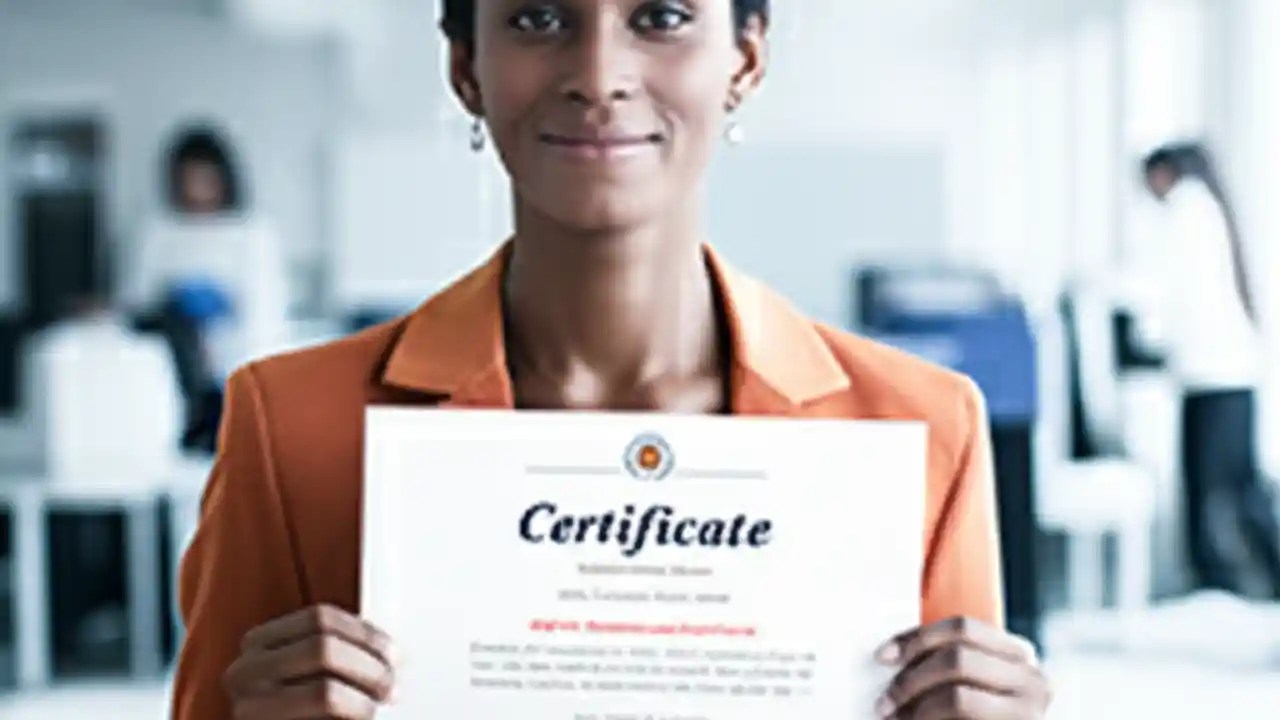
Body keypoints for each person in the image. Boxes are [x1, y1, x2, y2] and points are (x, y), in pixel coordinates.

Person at [171, 2, 1052, 718]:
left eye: (661, 17)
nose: (598, 77)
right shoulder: (291, 427)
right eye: (539, 20)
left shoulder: (921, 429)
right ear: (466, 67)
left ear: (744, 59)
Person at [1143, 142, 1280, 598]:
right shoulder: (1207, 209)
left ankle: (1215, 582)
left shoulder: (1186, 212)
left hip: (1211, 371)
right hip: (1229, 367)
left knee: (1215, 489)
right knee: (1237, 484)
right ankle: (1228, 579)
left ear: (1163, 173)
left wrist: (1153, 338)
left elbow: (1176, 295)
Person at [128, 125, 289, 453]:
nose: (196, 191)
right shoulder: (157, 233)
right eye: (188, 180)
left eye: (205, 179)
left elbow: (266, 314)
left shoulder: (252, 233)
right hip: (173, 374)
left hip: (234, 367)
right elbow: (136, 302)